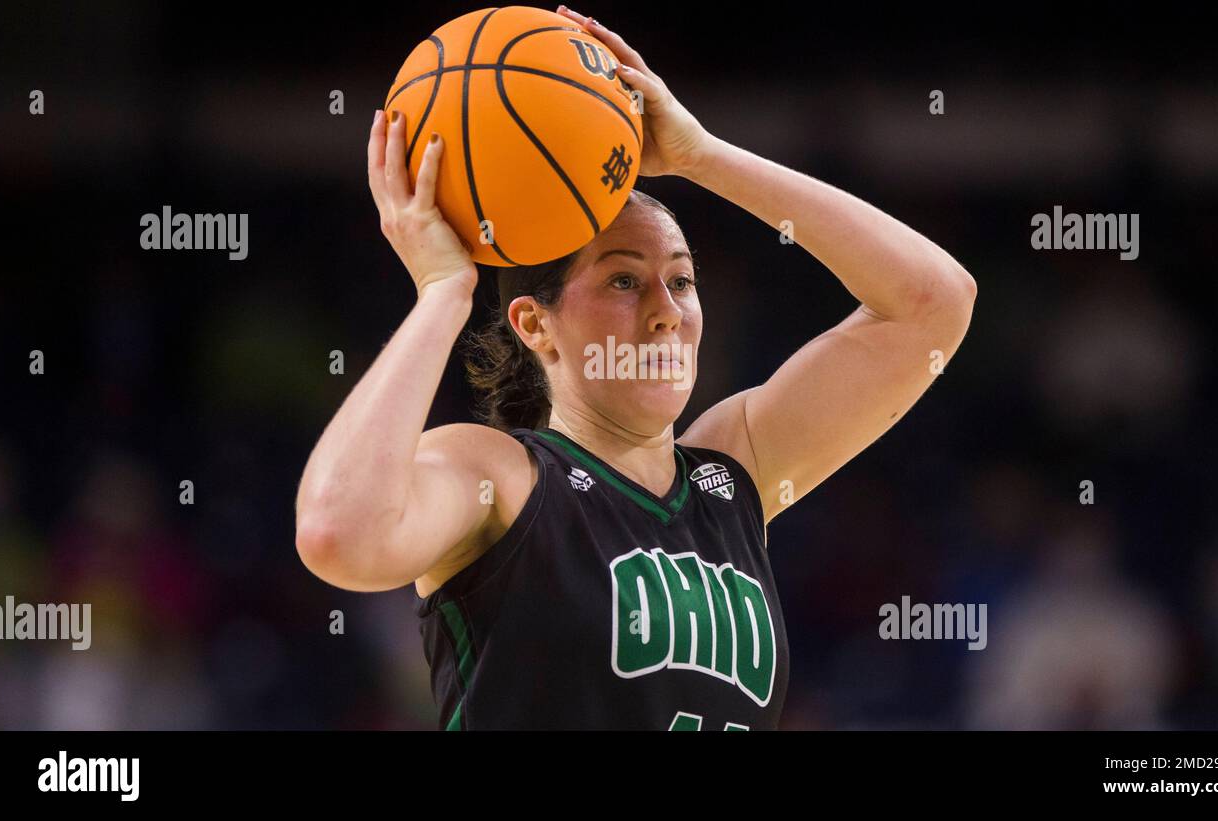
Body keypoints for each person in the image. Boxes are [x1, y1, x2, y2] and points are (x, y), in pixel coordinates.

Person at [295, 6, 976, 729]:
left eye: (682, 281)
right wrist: (442, 292)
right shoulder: (501, 479)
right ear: (535, 322)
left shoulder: (732, 472)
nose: (665, 310)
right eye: (625, 280)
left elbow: (933, 304)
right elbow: (340, 533)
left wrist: (702, 156)